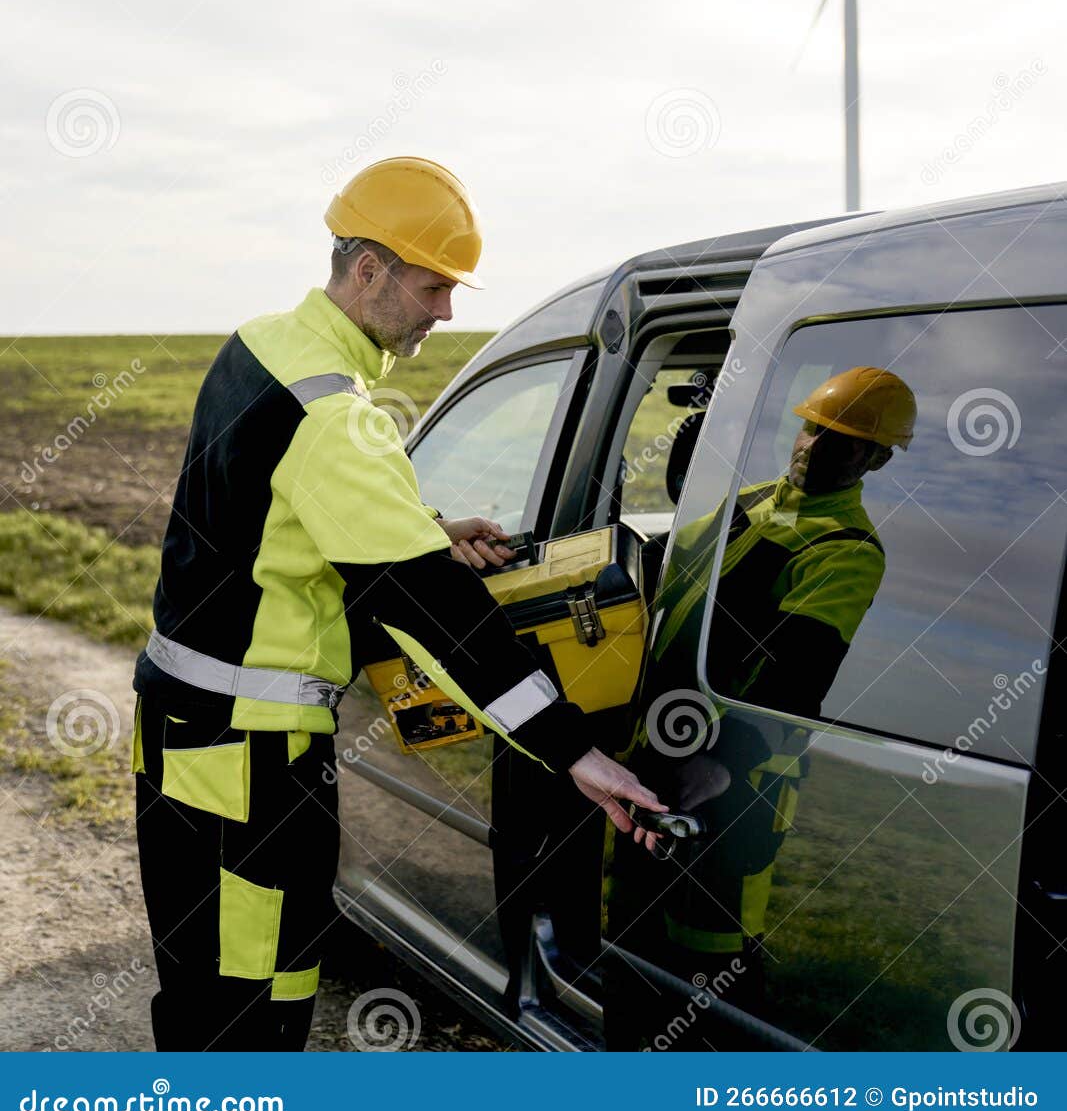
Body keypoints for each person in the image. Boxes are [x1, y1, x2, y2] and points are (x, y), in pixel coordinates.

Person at [131, 155, 666, 1050]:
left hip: (185, 731)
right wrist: (575, 752)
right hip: (249, 758)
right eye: (432, 287)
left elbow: (278, 511)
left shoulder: (264, 345)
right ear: (368, 268)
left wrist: (417, 525)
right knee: (248, 1015)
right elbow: (439, 615)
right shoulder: (335, 417)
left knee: (202, 987)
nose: (445, 312)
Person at [611, 367, 915, 1040]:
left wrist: (715, 765)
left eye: (841, 441)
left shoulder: (846, 549)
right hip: (664, 755)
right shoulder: (751, 501)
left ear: (876, 458)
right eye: (811, 428)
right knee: (635, 938)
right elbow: (662, 569)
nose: (813, 448)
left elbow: (792, 682)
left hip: (736, 781)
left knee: (709, 963)